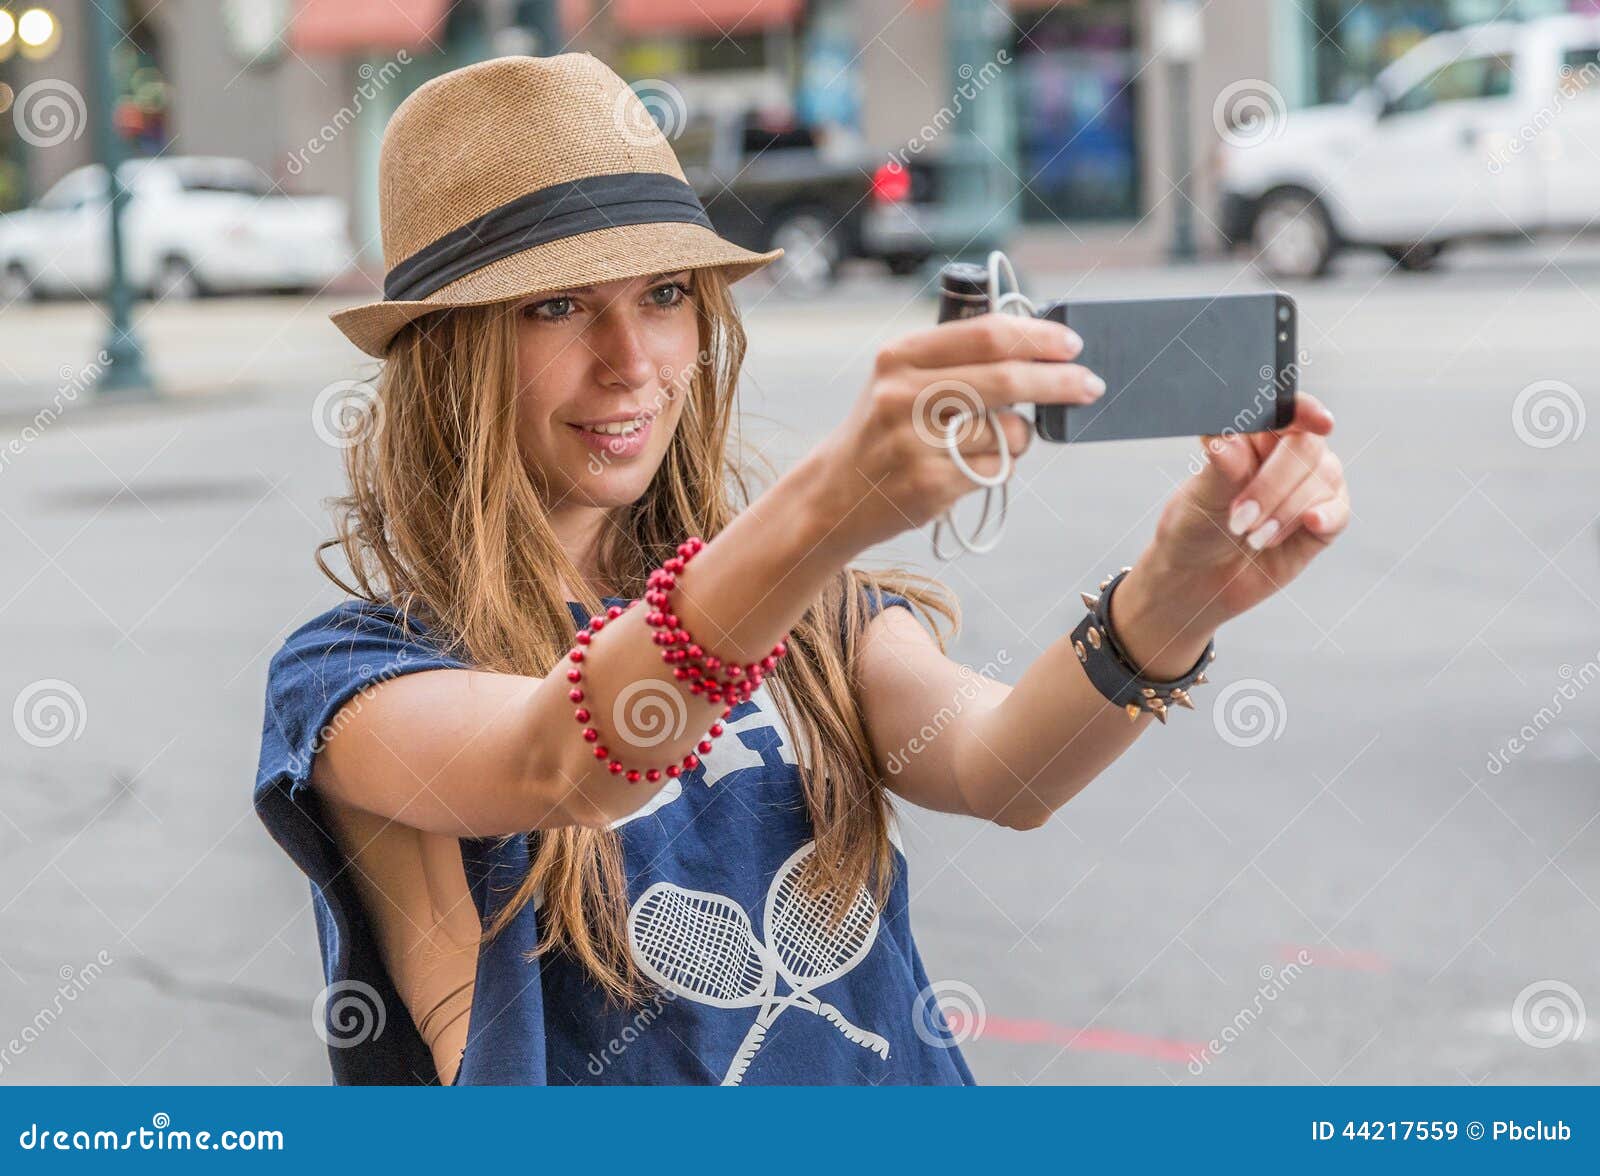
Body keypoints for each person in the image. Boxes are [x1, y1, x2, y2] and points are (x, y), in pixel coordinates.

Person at [254, 53, 1350, 1087]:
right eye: (558, 306)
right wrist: (827, 510)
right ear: (448, 351)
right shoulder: (353, 676)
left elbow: (1004, 770)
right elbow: (565, 762)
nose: (631, 362)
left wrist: (1179, 589)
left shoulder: (802, 607)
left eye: (666, 295)